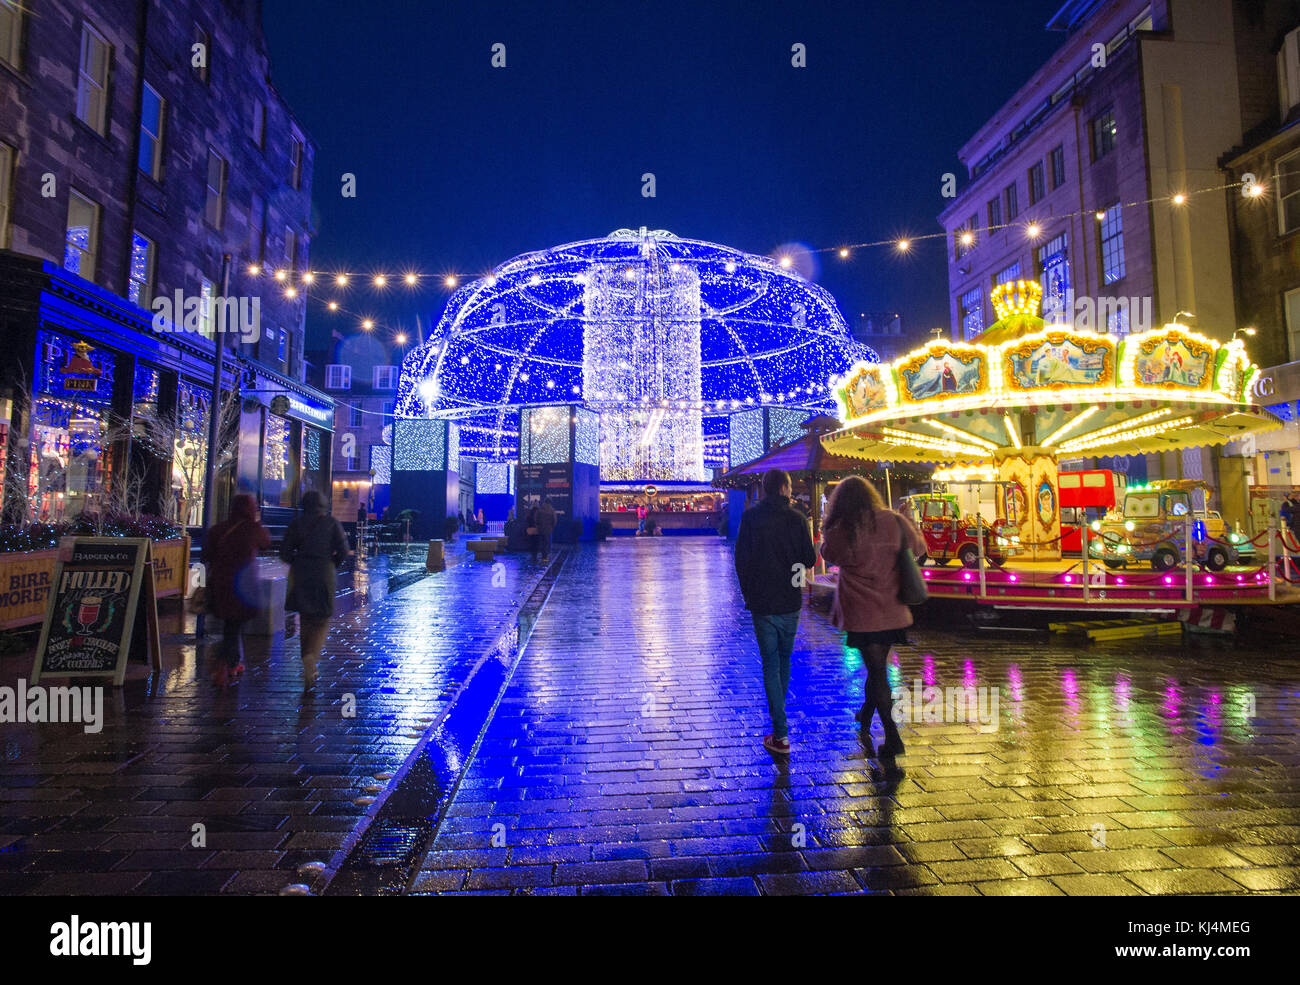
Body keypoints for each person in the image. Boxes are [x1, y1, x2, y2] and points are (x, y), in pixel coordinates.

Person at [820, 474, 926, 765]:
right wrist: (908, 522)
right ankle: (867, 714)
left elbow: (828, 554)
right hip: (892, 608)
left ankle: (892, 737)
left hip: (862, 611)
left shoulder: (842, 528)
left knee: (877, 671)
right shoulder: (892, 520)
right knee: (877, 668)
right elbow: (918, 549)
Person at [734, 469, 817, 755]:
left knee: (770, 663)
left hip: (762, 602)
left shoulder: (750, 518)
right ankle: (779, 728)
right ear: (783, 488)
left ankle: (780, 733)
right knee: (784, 659)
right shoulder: (797, 518)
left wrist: (748, 592)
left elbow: (741, 560)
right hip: (790, 601)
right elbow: (810, 558)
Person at [280, 490, 350, 689]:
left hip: (301, 574)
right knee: (321, 620)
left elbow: (284, 552)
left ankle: (306, 658)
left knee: (305, 618)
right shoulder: (331, 523)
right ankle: (311, 659)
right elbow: (344, 550)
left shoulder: (296, 524)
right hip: (324, 573)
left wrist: (298, 562)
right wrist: (331, 563)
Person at [205, 493, 271, 688]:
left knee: (230, 625)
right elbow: (266, 543)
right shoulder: (253, 529)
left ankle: (230, 661)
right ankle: (225, 662)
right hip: (243, 586)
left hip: (221, 584)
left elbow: (208, 554)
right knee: (234, 626)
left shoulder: (218, 529)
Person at [534, 497, 557, 562]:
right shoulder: (552, 510)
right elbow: (554, 520)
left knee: (541, 542)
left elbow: (536, 519)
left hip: (540, 529)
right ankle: (545, 557)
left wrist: (538, 526)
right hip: (548, 529)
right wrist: (552, 527)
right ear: (550, 503)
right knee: (547, 542)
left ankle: (542, 555)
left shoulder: (540, 509)